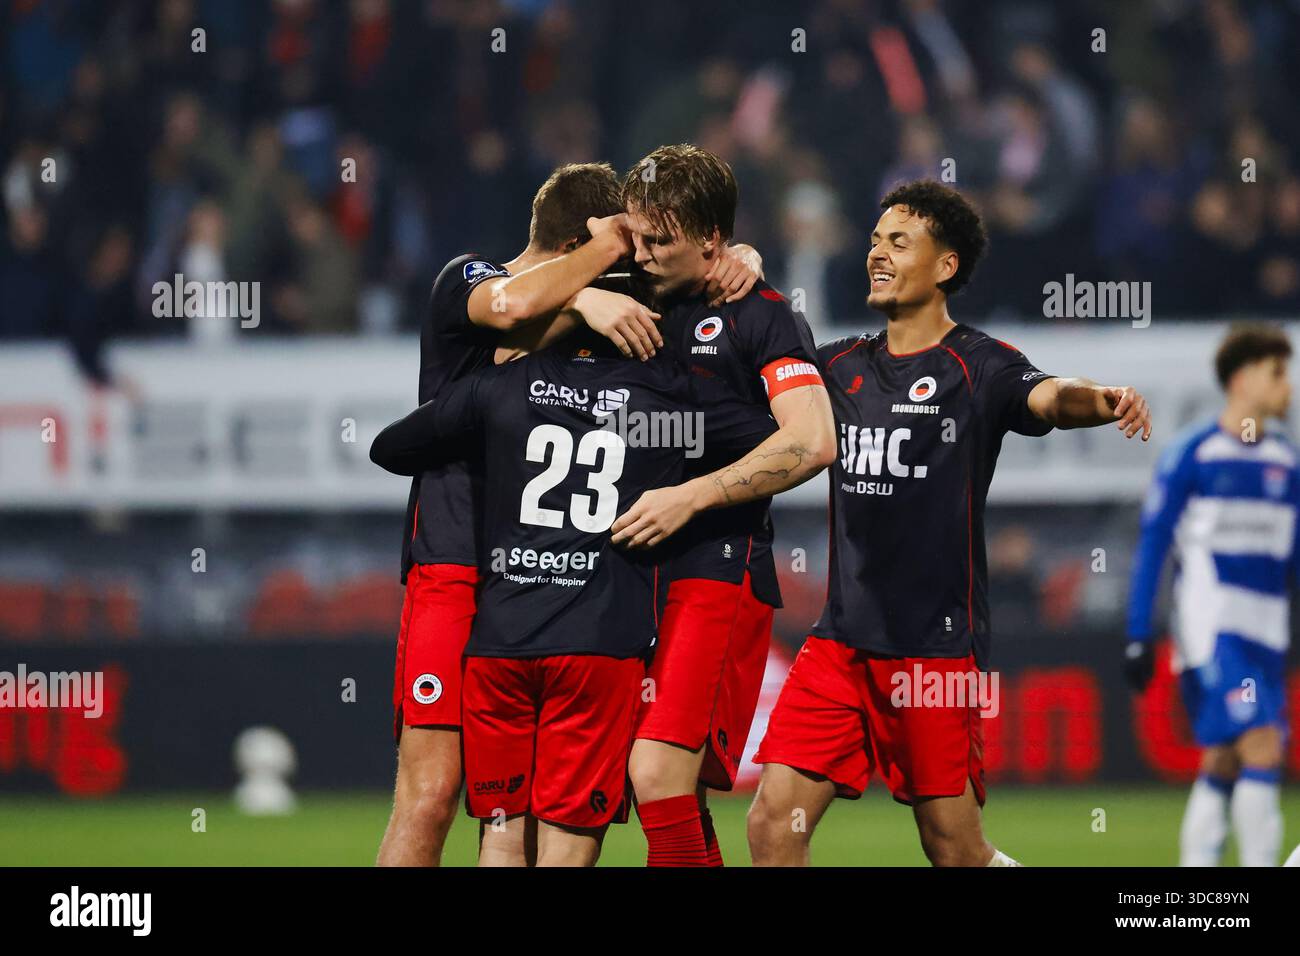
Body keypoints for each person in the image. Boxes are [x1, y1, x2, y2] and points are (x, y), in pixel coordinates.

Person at [747, 180, 1153, 867]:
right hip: (841, 645)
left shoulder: (979, 365)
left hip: (934, 652)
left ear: (945, 266)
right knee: (770, 823)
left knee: (955, 849)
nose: (878, 253)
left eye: (899, 242)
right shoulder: (839, 366)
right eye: (876, 240)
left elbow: (1049, 397)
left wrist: (1101, 398)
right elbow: (756, 385)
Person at [377, 161, 755, 866]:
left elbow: (683, 282)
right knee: (431, 793)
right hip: (453, 565)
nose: (632, 267)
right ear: (591, 239)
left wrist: (738, 260)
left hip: (532, 589)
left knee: (514, 819)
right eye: (626, 244)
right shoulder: (468, 280)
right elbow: (515, 308)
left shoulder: (586, 305)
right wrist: (590, 285)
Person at [609, 145, 837, 866]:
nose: (641, 255)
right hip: (634, 570)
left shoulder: (761, 316)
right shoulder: (628, 293)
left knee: (656, 776)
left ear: (711, 240)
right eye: (635, 236)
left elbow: (812, 441)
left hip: (719, 565)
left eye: (661, 241)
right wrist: (583, 294)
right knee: (661, 787)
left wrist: (693, 496)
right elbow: (516, 285)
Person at [1125, 323, 1294, 867]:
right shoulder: (1192, 456)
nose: (1287, 387)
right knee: (1263, 743)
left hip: (1268, 632)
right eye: (1277, 373)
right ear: (1242, 380)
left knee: (1223, 759)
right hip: (1215, 631)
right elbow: (1153, 548)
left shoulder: (1287, 463)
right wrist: (1137, 633)